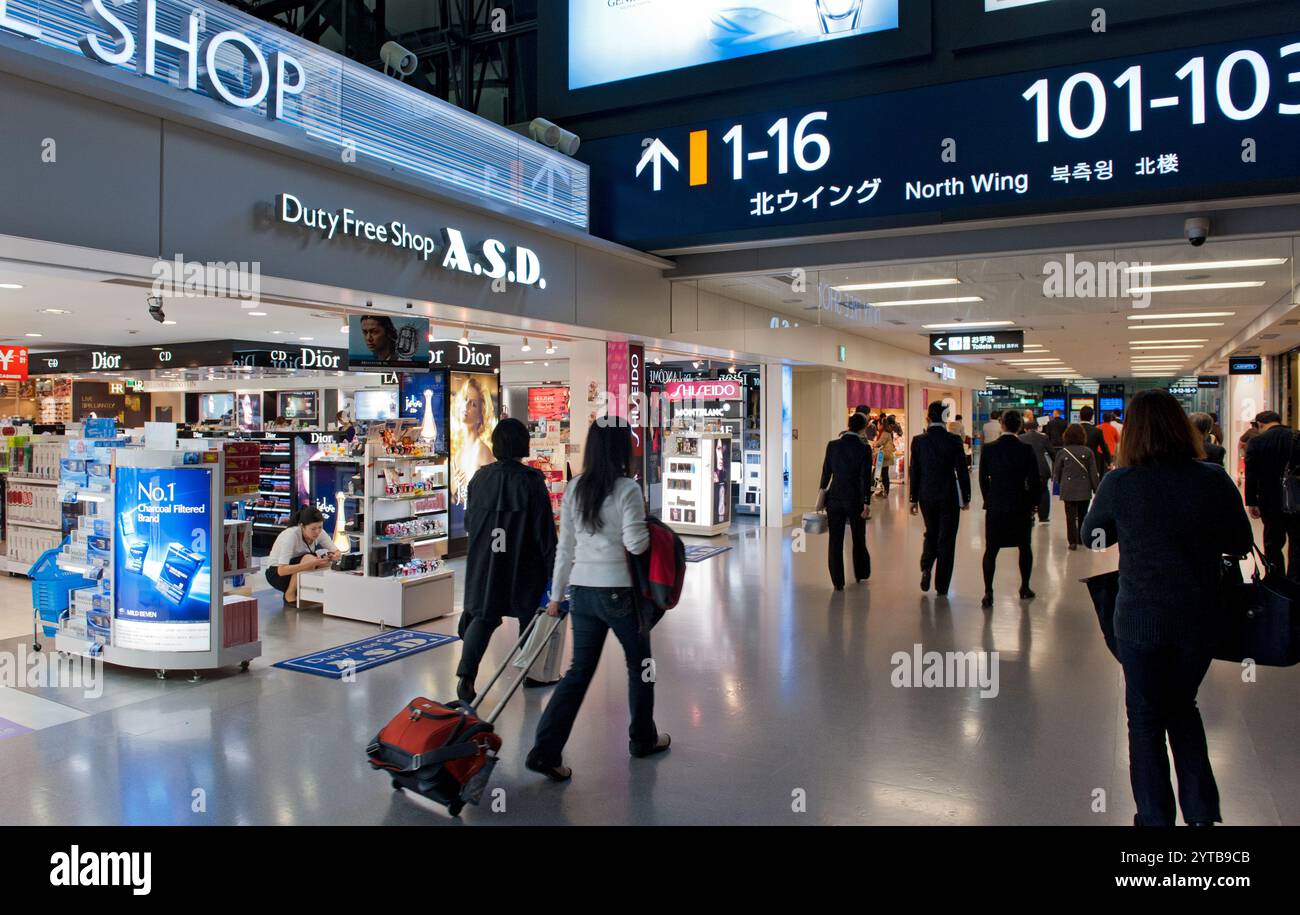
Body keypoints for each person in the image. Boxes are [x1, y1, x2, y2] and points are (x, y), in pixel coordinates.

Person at [1082, 389, 1252, 826]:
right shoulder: (1212, 478)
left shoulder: (1121, 482)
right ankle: (1200, 815)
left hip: (1139, 619)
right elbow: (1239, 543)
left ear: (1131, 433)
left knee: (1143, 717)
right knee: (1183, 708)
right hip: (1199, 618)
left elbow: (1093, 537)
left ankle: (1155, 818)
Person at [526, 420, 664, 781]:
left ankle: (545, 750)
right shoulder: (626, 489)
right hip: (620, 592)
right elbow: (636, 544)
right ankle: (642, 739)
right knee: (640, 667)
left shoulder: (574, 488)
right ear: (622, 448)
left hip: (582, 591)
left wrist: (556, 596)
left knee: (578, 672)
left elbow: (565, 549)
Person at [457, 418, 558, 702]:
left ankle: (466, 677)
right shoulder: (532, 481)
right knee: (530, 617)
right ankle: (531, 673)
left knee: (484, 615)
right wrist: (555, 573)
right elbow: (544, 533)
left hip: (486, 560)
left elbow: (469, 522)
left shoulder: (480, 478)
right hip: (523, 562)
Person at [978, 410, 1040, 608]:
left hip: (996, 505)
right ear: (1020, 426)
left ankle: (988, 591)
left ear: (1002, 424)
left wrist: (988, 499)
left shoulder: (989, 449)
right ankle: (1025, 587)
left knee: (991, 550)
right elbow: (1034, 480)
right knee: (1024, 546)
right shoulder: (1026, 449)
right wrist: (1033, 504)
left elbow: (982, 478)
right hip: (1019, 505)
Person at [910, 401, 971, 596]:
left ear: (928, 418)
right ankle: (942, 585)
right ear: (946, 418)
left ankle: (926, 566)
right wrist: (966, 496)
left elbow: (915, 471)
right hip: (948, 494)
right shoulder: (953, 440)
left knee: (931, 532)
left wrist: (913, 498)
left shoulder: (918, 440)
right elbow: (961, 470)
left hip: (926, 495)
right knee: (947, 537)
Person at [819, 412, 874, 590]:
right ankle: (860, 573)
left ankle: (837, 581)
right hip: (855, 499)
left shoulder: (833, 445)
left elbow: (826, 472)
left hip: (834, 498)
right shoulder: (864, 448)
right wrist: (867, 501)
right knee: (858, 537)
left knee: (835, 540)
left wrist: (821, 494)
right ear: (863, 428)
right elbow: (866, 477)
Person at [1244, 410, 1300, 579]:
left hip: (1269, 500)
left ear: (1260, 425)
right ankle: (1295, 580)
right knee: (1297, 542)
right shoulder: (1297, 438)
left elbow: (1252, 474)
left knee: (1273, 542)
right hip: (1296, 499)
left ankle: (1275, 579)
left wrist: (1251, 501)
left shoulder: (1257, 442)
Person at [264, 507, 337, 605]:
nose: (317, 531)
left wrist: (333, 556)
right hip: (276, 574)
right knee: (309, 558)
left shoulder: (319, 532)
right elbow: (281, 571)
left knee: (325, 562)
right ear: (302, 526)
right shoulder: (291, 535)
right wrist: (311, 563)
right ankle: (289, 595)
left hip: (295, 568)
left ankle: (312, 592)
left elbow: (336, 551)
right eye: (313, 529)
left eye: (320, 527)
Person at [451, 375, 497, 509]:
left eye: (473, 404)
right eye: (465, 399)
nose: (466, 406)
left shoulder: (481, 451)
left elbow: (490, 497)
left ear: (480, 416)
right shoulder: (459, 451)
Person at [1051, 423, 1099, 550]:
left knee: (1070, 515)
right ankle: (1081, 538)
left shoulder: (1062, 452)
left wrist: (1058, 487)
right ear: (1082, 436)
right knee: (1083, 513)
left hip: (1068, 487)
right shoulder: (1088, 451)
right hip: (1084, 487)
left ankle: (1072, 541)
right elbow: (1093, 473)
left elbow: (1057, 472)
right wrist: (1097, 489)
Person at [1018, 415, 1053, 523]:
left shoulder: (1020, 438)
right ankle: (1043, 516)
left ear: (1025, 429)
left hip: (1026, 469)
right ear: (1038, 428)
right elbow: (1052, 453)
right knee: (1043, 491)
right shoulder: (1044, 437)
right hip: (1042, 469)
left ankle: (1030, 514)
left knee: (1026, 491)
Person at [1078, 405, 1112, 475]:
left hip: (1077, 461)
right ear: (1092, 417)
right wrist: (1109, 462)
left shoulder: (1074, 430)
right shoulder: (1097, 431)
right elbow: (1104, 448)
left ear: (1080, 416)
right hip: (1093, 462)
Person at [873, 418, 896, 497]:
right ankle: (884, 491)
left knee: (879, 474)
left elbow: (880, 443)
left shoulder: (885, 433)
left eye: (879, 424)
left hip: (882, 456)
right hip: (884, 456)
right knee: (883, 474)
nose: (878, 426)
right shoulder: (888, 432)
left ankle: (882, 491)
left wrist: (873, 444)